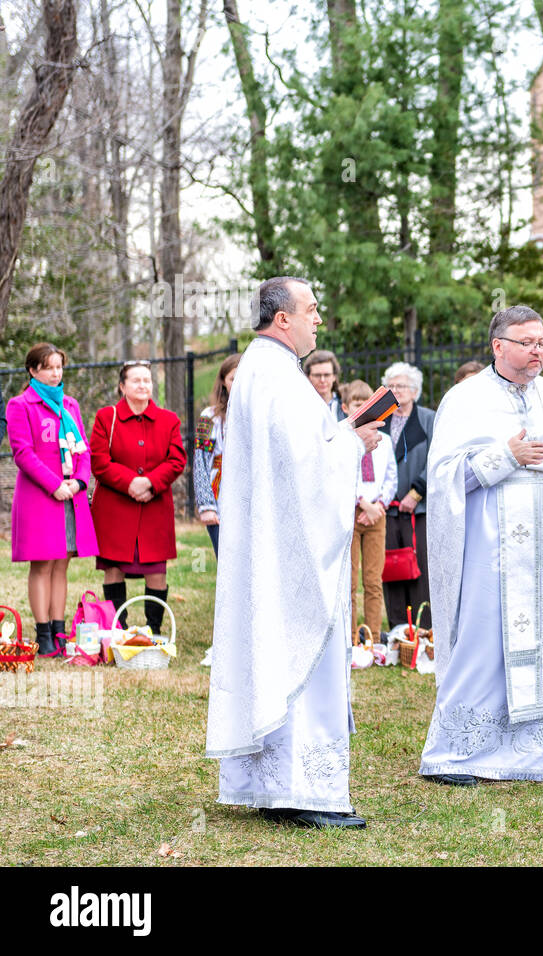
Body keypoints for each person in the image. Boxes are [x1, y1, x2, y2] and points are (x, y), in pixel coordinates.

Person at [206, 276, 382, 829]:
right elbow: (309, 468)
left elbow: (300, 455)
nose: (317, 320)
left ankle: (277, 785)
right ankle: (305, 790)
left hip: (277, 541)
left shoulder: (266, 370)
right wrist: (355, 438)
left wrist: (344, 434)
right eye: (311, 309)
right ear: (282, 317)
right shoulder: (277, 375)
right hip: (293, 549)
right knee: (304, 653)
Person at [420, 305, 543, 784]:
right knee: (486, 634)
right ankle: (459, 753)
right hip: (493, 537)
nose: (538, 351)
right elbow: (443, 476)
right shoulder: (465, 398)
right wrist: (504, 455)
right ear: (498, 345)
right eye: (528, 342)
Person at [6, 343, 99, 655]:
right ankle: (43, 633)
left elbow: (83, 448)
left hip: (70, 496)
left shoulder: (70, 405)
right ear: (33, 370)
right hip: (40, 497)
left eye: (59, 367)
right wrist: (54, 484)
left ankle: (60, 634)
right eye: (49, 367)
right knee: (42, 564)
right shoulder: (20, 405)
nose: (56, 373)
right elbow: (23, 453)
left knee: (62, 564)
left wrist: (79, 482)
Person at [89, 361, 186, 634]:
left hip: (154, 507)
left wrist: (151, 483)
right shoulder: (106, 418)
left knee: (156, 568)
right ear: (122, 387)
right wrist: (130, 482)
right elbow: (99, 461)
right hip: (115, 508)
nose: (143, 385)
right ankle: (118, 627)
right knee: (114, 566)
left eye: (147, 380)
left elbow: (177, 459)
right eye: (136, 381)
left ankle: (153, 629)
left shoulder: (169, 420)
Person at [378, 361, 438, 630]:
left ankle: (423, 630)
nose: (396, 391)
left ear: (415, 391)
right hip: (385, 507)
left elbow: (437, 458)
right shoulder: (379, 420)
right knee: (390, 568)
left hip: (418, 507)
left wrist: (417, 492)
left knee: (420, 568)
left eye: (402, 386)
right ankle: (397, 629)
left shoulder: (428, 419)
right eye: (391, 386)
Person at [341, 380, 397, 642]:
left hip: (377, 515)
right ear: (346, 408)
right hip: (352, 513)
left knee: (373, 580)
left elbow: (391, 477)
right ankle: (351, 636)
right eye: (356, 405)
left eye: (367, 404)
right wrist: (361, 503)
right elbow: (341, 476)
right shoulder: (343, 441)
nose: (362, 409)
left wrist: (378, 506)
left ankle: (374, 637)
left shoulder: (384, 441)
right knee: (350, 581)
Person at [194, 353, 240, 556]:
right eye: (233, 378)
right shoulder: (208, 417)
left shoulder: (261, 416)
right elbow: (200, 462)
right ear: (223, 382)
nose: (238, 384)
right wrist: (206, 505)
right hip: (219, 498)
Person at [303, 349, 346, 421]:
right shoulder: (301, 405)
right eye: (317, 375)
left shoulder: (346, 403)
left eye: (327, 375)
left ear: (334, 376)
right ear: (308, 377)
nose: (322, 380)